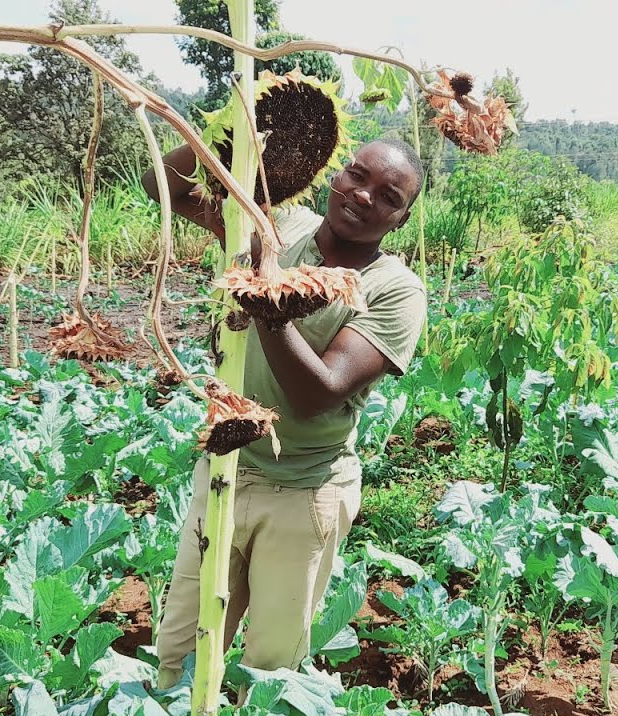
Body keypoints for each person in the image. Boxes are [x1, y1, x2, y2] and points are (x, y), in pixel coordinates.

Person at [142, 137, 427, 687]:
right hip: (224, 471)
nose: (365, 196)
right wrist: (220, 136)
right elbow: (163, 187)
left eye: (388, 196)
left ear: (400, 219)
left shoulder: (394, 290)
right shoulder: (277, 226)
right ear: (334, 176)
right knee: (178, 655)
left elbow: (319, 392)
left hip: (304, 491)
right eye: (357, 175)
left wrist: (268, 306)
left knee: (267, 671)